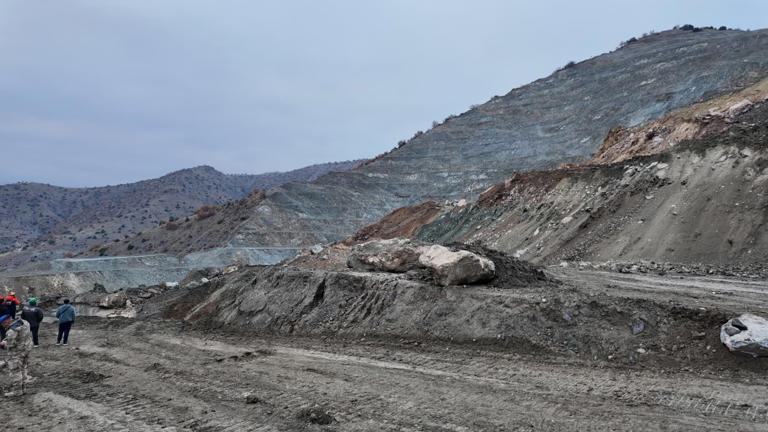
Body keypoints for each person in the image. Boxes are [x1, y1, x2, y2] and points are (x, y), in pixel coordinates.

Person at [0, 314, 33, 397]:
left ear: (7, 321)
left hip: (16, 353)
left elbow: (10, 344)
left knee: (15, 372)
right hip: (26, 349)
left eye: (3, 324)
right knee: (23, 369)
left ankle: (17, 391)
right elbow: (22, 336)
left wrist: (3, 343)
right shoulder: (24, 322)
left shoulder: (11, 331)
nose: (3, 326)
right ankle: (23, 389)